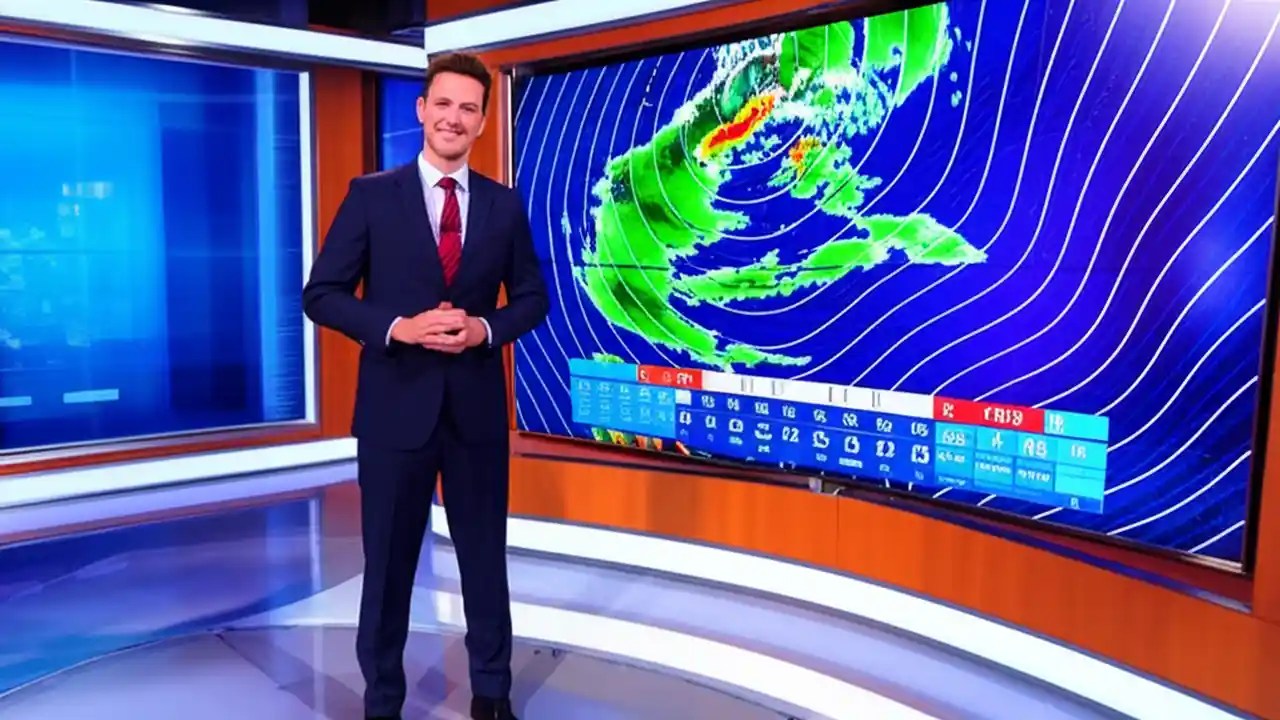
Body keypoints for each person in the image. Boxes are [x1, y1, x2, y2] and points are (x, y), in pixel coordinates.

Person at [302, 52, 548, 720]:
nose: (454, 118)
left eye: (469, 108)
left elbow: (530, 299)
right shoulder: (371, 196)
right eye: (444, 104)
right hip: (393, 413)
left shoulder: (502, 205)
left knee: (483, 564)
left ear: (481, 121)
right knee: (386, 569)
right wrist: (397, 327)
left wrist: (485, 332)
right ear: (422, 109)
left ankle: (491, 696)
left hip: (473, 415)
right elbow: (321, 294)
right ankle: (383, 700)